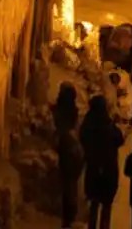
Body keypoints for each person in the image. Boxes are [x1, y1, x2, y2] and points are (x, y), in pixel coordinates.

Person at [79, 95, 125, 229]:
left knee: (94, 203)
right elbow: (120, 139)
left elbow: (82, 137)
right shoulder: (108, 125)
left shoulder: (88, 123)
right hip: (108, 171)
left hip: (93, 169)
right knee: (106, 205)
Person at [53, 83, 83, 228]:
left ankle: (67, 216)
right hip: (71, 152)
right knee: (72, 186)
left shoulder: (59, 110)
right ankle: (71, 215)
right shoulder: (73, 111)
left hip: (65, 151)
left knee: (67, 186)